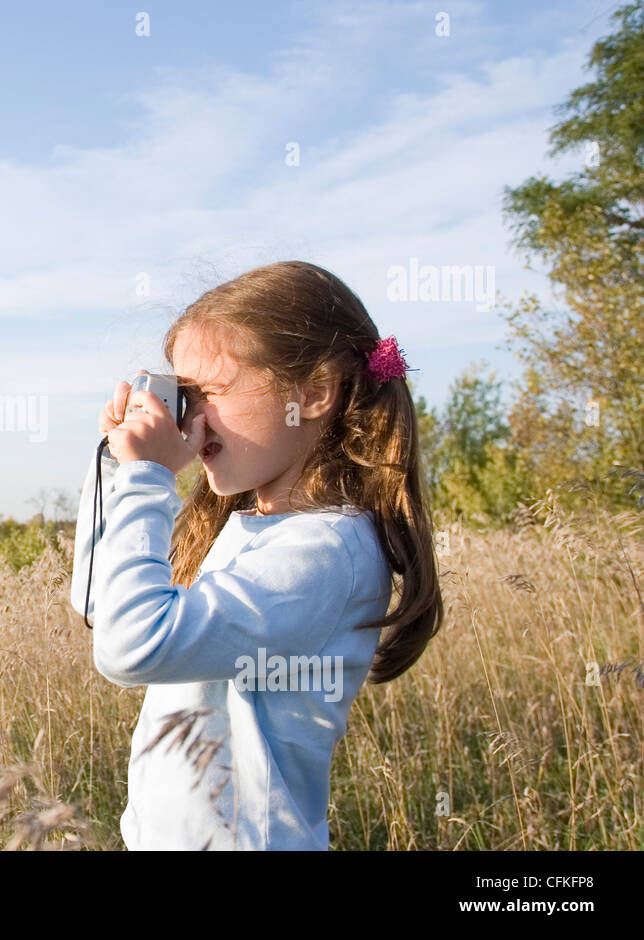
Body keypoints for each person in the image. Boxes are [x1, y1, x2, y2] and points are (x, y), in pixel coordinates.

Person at [70, 260, 443, 850]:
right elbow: (99, 600)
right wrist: (119, 471)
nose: (189, 417)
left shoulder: (327, 553)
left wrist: (148, 479)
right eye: (181, 395)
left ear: (314, 393)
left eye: (208, 392)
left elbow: (130, 648)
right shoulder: (258, 529)